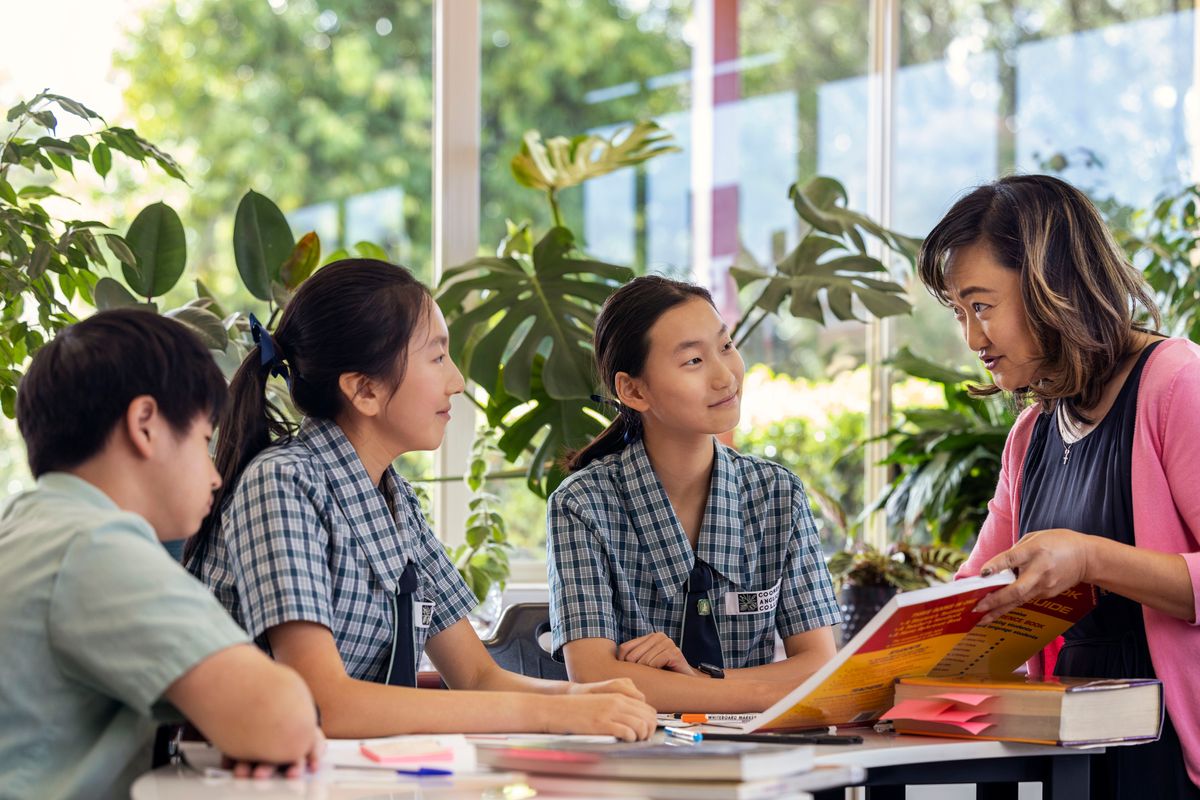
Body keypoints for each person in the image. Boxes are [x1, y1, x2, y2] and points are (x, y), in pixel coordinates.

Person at [186, 258, 655, 741]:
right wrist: (553, 714)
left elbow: (478, 678)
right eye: (437, 357)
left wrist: (586, 697)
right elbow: (324, 705)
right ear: (364, 390)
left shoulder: (396, 498)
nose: (457, 380)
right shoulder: (282, 483)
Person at [917, 174, 1200, 797]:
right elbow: (975, 594)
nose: (973, 340)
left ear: (1054, 284)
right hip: (1074, 751)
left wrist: (1091, 557)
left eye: (982, 306)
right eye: (960, 314)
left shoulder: (1177, 385)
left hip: (1171, 759)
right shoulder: (1032, 434)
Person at [0, 309, 323, 800]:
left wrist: (243, 725)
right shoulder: (96, 547)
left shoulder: (33, 527)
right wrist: (268, 725)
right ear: (145, 424)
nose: (215, 475)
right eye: (203, 441)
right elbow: (285, 721)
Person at [545, 275, 841, 712]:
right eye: (693, 361)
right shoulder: (582, 505)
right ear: (633, 390)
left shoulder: (779, 495)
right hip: (631, 765)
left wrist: (696, 681)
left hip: (757, 761)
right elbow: (593, 674)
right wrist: (758, 689)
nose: (725, 376)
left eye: (725, 347)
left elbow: (819, 664)